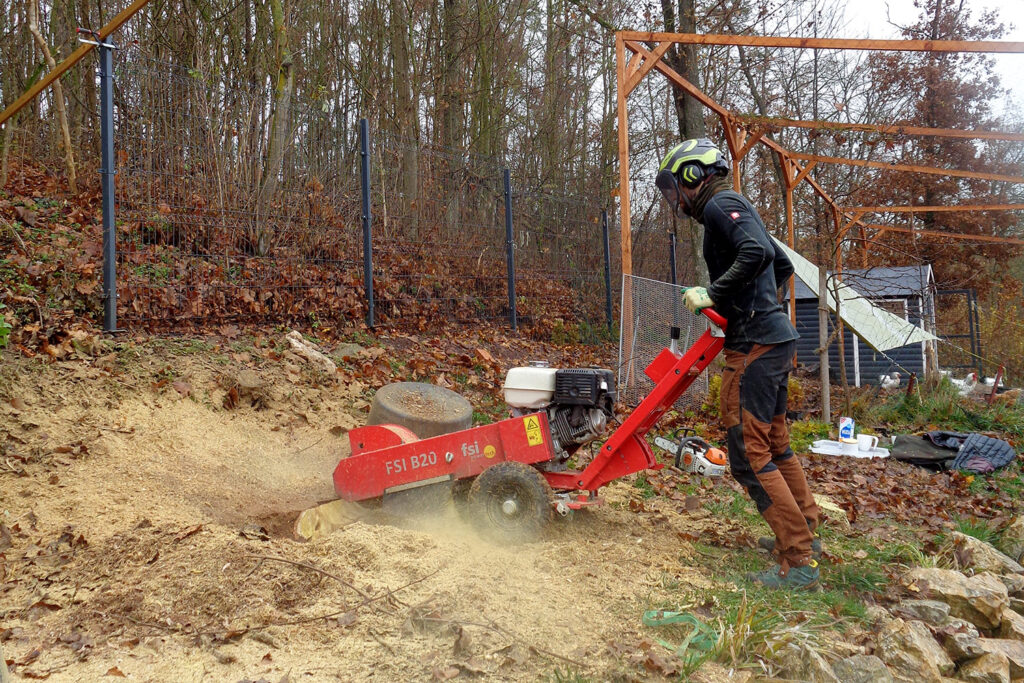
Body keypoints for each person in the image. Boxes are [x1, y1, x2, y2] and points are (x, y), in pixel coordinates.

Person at [655, 138, 822, 590]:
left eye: (675, 187)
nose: (676, 199)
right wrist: (753, 304)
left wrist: (717, 295)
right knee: (775, 442)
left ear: (693, 175)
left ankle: (800, 560)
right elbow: (782, 264)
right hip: (772, 339)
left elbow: (761, 256)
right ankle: (805, 530)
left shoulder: (719, 205)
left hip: (754, 346)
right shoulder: (733, 206)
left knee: (749, 453)